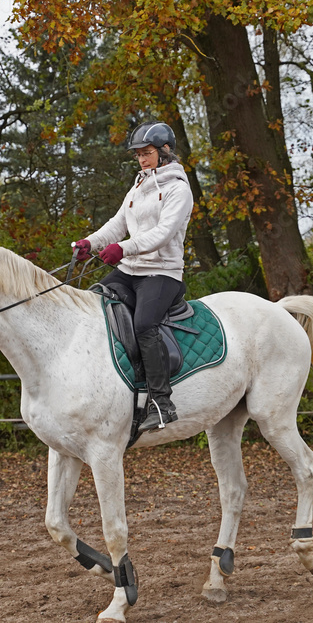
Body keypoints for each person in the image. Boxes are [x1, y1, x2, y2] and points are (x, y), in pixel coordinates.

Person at [73, 122, 194, 432]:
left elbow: (163, 234)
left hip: (162, 273)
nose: (142, 160)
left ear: (165, 151)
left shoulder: (179, 189)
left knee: (144, 324)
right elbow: (117, 224)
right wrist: (91, 242)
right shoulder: (138, 186)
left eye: (147, 153)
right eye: (139, 155)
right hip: (130, 271)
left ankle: (161, 403)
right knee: (93, 304)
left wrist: (122, 249)